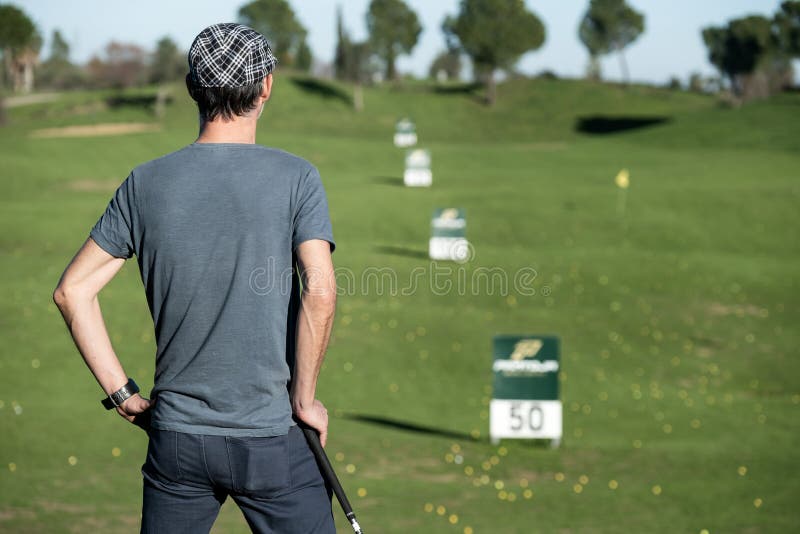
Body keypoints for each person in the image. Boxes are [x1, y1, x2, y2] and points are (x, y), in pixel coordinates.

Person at [53, 23, 337, 533]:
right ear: (266, 86)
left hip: (176, 445)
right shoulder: (298, 177)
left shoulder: (144, 183)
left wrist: (122, 394)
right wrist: (305, 399)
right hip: (273, 439)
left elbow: (72, 291)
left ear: (191, 88)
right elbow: (320, 288)